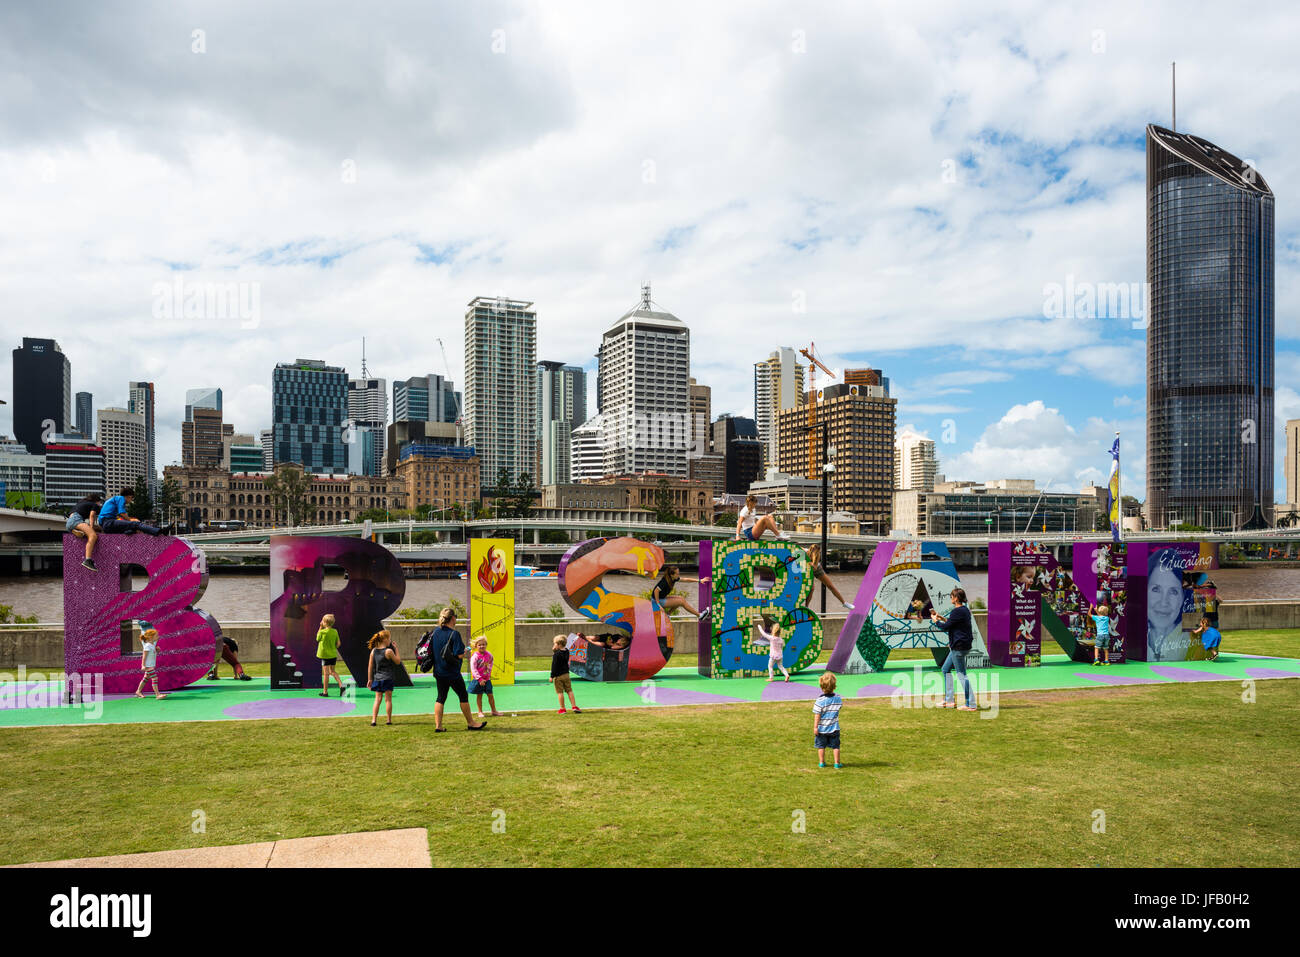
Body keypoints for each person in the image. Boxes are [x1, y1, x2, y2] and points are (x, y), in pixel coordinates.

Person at [429, 609, 487, 732]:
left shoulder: (435, 632)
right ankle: (471, 723)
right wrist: (465, 651)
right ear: (453, 618)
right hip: (452, 672)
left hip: (439, 671)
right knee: (463, 696)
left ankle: (438, 726)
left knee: (441, 697)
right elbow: (459, 654)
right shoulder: (454, 634)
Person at [931, 588, 976, 711]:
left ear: (956, 598)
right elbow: (952, 624)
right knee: (945, 669)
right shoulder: (964, 610)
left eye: (951, 596)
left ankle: (970, 704)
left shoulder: (957, 611)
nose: (950, 598)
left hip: (958, 647)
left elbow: (946, 627)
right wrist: (942, 618)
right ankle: (949, 700)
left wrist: (936, 621)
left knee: (962, 675)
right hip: (959, 646)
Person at [366, 630, 400, 726]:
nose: (390, 640)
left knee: (377, 699)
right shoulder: (388, 651)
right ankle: (388, 720)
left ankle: (374, 720)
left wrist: (370, 679)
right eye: (389, 638)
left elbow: (370, 667)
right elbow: (397, 661)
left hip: (377, 679)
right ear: (385, 639)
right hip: (388, 678)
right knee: (388, 700)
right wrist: (396, 649)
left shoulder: (373, 651)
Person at [97, 487, 162, 535]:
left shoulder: (115, 499)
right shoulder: (121, 498)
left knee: (131, 530)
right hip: (108, 522)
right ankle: (158, 531)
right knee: (135, 524)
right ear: (129, 496)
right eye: (132, 498)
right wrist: (131, 520)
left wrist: (129, 519)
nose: (131, 500)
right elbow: (122, 513)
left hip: (106, 526)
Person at [807, 544, 853, 610]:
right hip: (806, 569)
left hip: (816, 568)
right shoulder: (804, 552)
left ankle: (844, 603)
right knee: (811, 588)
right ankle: (806, 606)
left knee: (830, 586)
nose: (816, 553)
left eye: (817, 552)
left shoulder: (817, 556)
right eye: (815, 552)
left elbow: (814, 567)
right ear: (810, 550)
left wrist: (809, 563)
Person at [812, 672, 843, 769]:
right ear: (834, 686)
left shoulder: (820, 701)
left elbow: (817, 715)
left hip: (822, 729)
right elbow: (839, 708)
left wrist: (815, 727)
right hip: (834, 728)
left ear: (822, 687)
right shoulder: (838, 699)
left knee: (821, 746)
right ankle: (837, 763)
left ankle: (822, 762)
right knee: (836, 746)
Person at [65, 493, 102, 570]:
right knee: (93, 536)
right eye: (99, 502)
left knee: (85, 534)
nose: (100, 504)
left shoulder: (80, 503)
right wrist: (91, 529)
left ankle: (75, 531)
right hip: (77, 520)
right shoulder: (94, 505)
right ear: (97, 501)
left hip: (69, 522)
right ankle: (88, 560)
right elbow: (92, 516)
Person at [468, 636, 502, 718]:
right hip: (478, 680)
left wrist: (487, 676)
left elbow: (490, 664)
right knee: (479, 695)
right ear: (476, 646)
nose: (482, 646)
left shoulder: (489, 655)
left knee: (490, 695)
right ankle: (480, 712)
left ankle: (494, 711)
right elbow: (473, 668)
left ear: (486, 645)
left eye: (483, 644)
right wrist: (479, 679)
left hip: (487, 680)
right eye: (479, 645)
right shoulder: (475, 656)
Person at [315, 614, 346, 697]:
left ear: (324, 622)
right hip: (333, 655)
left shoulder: (322, 632)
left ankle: (325, 692)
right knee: (332, 671)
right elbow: (338, 643)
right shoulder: (335, 631)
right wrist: (332, 648)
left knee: (326, 674)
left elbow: (317, 639)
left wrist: (320, 628)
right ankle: (341, 685)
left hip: (325, 656)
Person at [550, 634, 581, 714]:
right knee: (569, 690)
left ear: (559, 644)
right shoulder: (567, 651)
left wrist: (551, 676)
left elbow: (554, 666)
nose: (554, 645)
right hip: (566, 675)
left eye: (555, 644)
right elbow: (563, 651)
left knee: (560, 692)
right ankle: (574, 706)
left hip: (558, 676)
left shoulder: (556, 655)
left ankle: (562, 708)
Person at [134, 628, 168, 700]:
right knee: (155, 678)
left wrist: (157, 650)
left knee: (146, 678)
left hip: (151, 665)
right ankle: (157, 695)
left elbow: (152, 654)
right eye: (156, 636)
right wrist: (143, 665)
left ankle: (138, 691)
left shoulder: (152, 645)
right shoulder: (147, 646)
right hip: (148, 666)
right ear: (151, 637)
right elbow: (144, 656)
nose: (158, 637)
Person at [757, 615, 790, 682]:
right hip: (780, 655)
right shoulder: (781, 640)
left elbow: (764, 634)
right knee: (781, 666)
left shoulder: (772, 638)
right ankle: (786, 675)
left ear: (773, 631)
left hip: (773, 656)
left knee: (770, 666)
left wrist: (759, 627)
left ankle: (771, 678)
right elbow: (781, 647)